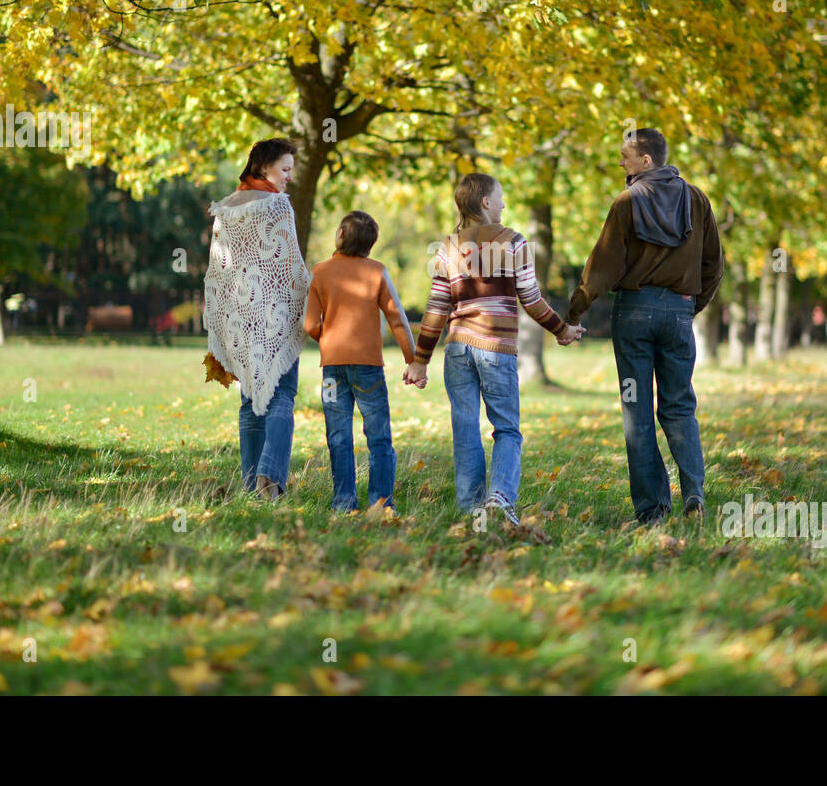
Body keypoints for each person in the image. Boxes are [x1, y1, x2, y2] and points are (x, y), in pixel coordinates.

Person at [404, 173, 585, 526]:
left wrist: (420, 361)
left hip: (457, 348)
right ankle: (500, 499)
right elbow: (531, 300)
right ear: (486, 202)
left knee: (466, 428)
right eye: (500, 198)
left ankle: (472, 509)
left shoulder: (448, 247)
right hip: (496, 346)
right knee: (506, 428)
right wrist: (561, 330)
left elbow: (437, 309)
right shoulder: (514, 242)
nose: (503, 205)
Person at [566, 128, 724, 525]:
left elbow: (602, 267)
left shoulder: (626, 203)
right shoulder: (697, 199)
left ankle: (652, 511)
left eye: (625, 156)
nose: (621, 163)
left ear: (646, 161)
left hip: (634, 314)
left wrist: (573, 313)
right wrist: (689, 307)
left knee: (636, 411)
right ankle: (694, 493)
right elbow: (713, 264)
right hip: (678, 314)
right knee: (679, 406)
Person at [202, 138, 311, 501]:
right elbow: (291, 268)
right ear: (264, 167)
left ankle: (251, 487)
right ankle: (270, 478)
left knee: (251, 403)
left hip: (241, 320)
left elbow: (218, 272)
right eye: (285, 170)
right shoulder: (279, 206)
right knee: (281, 396)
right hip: (276, 318)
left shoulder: (226, 208)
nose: (289, 178)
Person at [305, 211, 415, 514]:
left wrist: (328, 340)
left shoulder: (319, 272)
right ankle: (380, 503)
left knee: (338, 435)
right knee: (379, 436)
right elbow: (397, 318)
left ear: (340, 235)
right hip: (369, 368)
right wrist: (412, 359)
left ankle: (343, 503)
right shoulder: (377, 272)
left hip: (332, 370)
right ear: (371, 245)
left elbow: (309, 325)